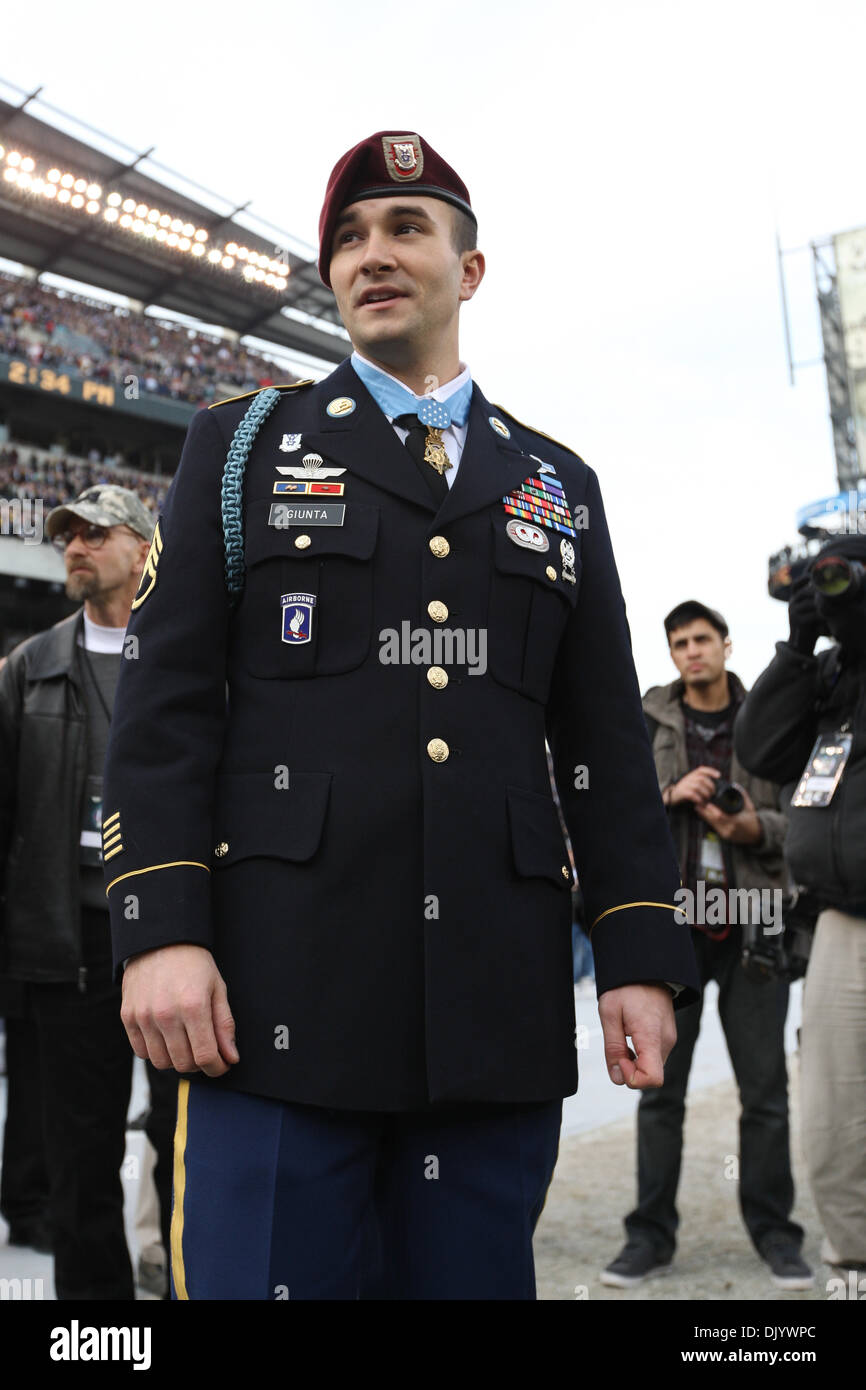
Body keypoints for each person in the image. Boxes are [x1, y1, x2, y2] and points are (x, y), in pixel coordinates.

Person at [103, 130, 699, 1301]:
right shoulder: (242, 448)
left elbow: (601, 745)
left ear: (468, 269)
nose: (371, 254)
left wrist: (635, 948)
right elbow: (165, 708)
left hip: (489, 1007)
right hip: (273, 1004)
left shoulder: (556, 484)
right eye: (348, 238)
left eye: (404, 228)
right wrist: (160, 926)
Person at [601, 600, 812, 1290]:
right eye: (679, 643)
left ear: (725, 644)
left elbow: (802, 815)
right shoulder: (646, 716)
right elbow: (613, 801)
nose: (692, 652)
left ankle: (777, 1237)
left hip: (754, 921)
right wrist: (669, 794)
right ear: (672, 655)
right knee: (661, 1092)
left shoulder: (770, 715)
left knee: (766, 1094)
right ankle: (649, 1238)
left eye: (702, 639)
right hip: (676, 928)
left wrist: (758, 829)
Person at [0, 484, 170, 1299]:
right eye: (67, 533)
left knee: (183, 1144)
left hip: (177, 930)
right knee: (80, 1159)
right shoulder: (30, 667)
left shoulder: (188, 655)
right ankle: (99, 1334)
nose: (74, 545)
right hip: (74, 940)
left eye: (95, 534)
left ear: (142, 550)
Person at [735, 538, 866, 1278]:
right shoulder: (824, 677)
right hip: (839, 924)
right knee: (835, 1119)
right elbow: (762, 750)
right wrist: (798, 645)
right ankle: (854, 1270)